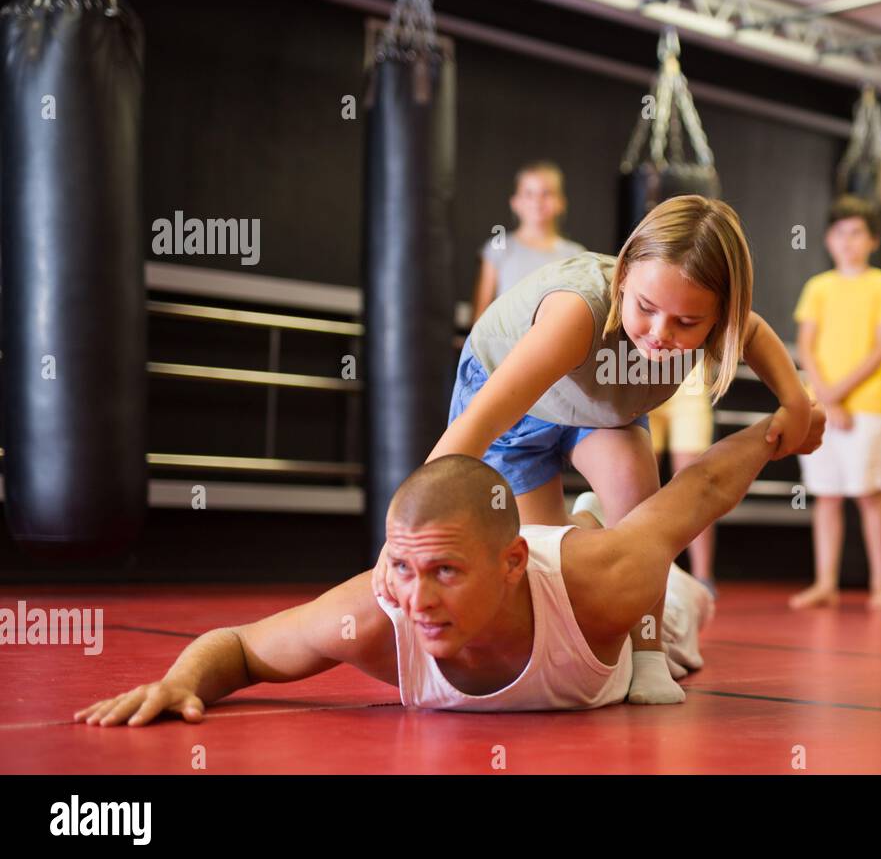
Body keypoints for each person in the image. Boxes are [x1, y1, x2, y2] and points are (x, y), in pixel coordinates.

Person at [73, 407, 826, 726]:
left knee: (676, 594)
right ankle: (584, 513)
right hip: (555, 551)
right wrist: (180, 683)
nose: (418, 601)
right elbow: (239, 646)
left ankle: (591, 518)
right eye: (403, 567)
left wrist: (781, 427)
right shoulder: (378, 612)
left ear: (509, 563)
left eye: (443, 574)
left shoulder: (605, 584)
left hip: (621, 617)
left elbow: (697, 491)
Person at [373, 194, 812, 704]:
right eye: (645, 308)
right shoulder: (574, 316)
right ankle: (586, 525)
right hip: (518, 411)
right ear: (623, 275)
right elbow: (475, 429)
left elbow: (754, 331)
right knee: (549, 562)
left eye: (687, 323)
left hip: (602, 405)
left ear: (719, 318)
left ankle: (648, 652)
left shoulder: (711, 323)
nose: (659, 335)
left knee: (639, 500)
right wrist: (403, 541)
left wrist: (794, 401)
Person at [789, 196, 881, 611]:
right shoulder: (818, 287)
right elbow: (806, 345)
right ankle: (825, 583)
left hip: (868, 406)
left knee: (870, 493)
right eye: (841, 232)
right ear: (828, 239)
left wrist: (837, 395)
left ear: (872, 239)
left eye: (857, 232)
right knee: (827, 496)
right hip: (823, 405)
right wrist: (824, 396)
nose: (848, 241)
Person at [471, 161, 585, 322]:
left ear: (561, 203)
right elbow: (479, 317)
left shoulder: (576, 255)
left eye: (546, 193)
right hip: (505, 346)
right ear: (515, 203)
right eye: (529, 193)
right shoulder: (497, 248)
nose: (537, 201)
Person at [646, 360, 717, 592]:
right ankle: (640, 571)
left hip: (689, 380)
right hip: (638, 379)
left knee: (694, 484)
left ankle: (702, 578)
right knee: (637, 487)